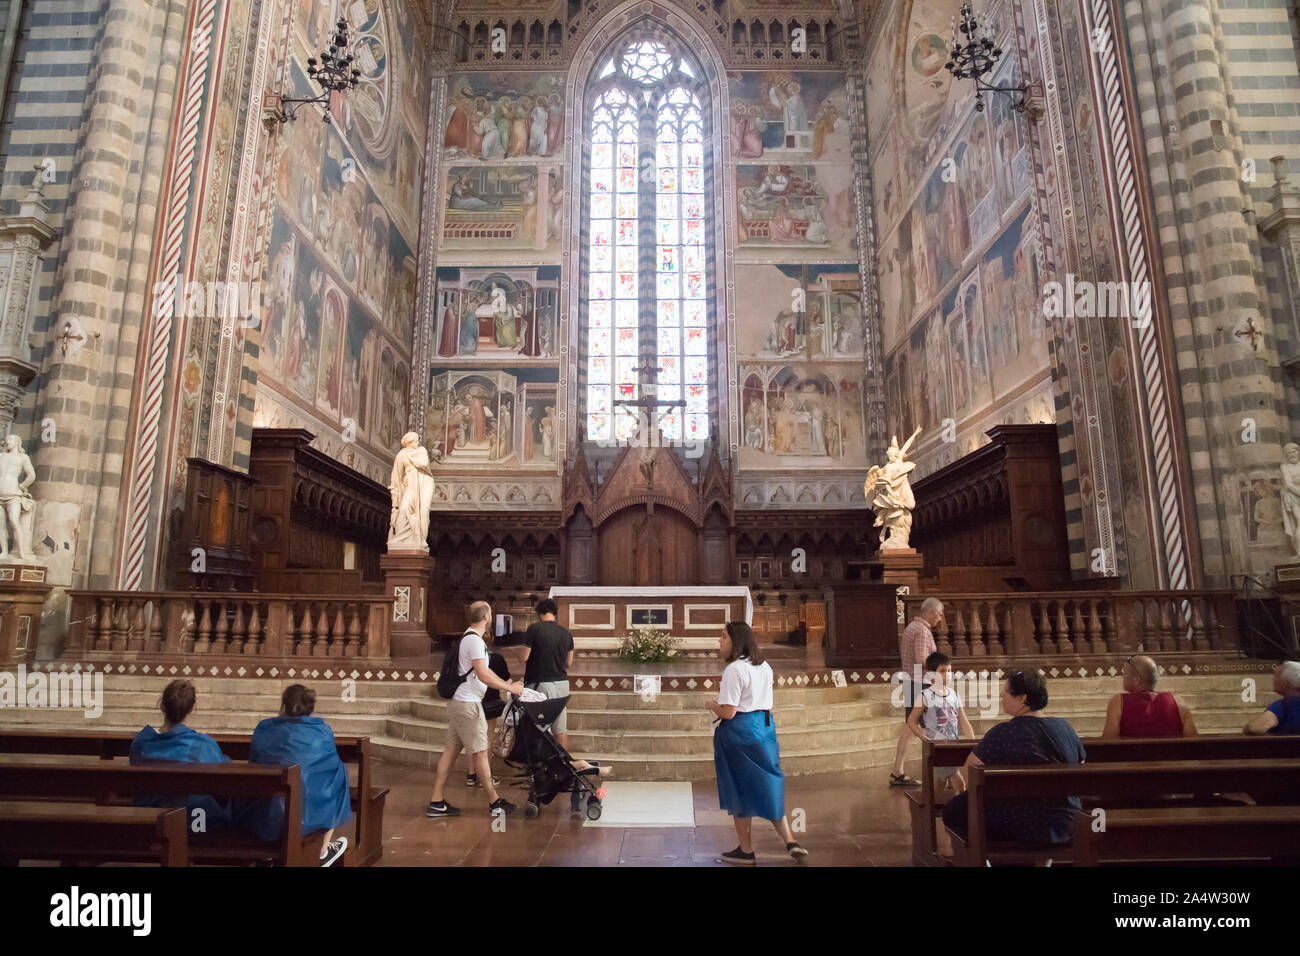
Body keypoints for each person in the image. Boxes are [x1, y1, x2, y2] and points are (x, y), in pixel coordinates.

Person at [941, 670, 1086, 848]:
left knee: (953, 810)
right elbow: (1081, 764)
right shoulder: (1065, 728)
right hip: (1067, 821)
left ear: (1022, 698)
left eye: (1006, 691)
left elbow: (968, 773)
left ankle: (986, 858)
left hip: (1021, 823)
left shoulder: (1003, 732)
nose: (1002, 695)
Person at [708, 621, 807, 864]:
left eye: (723, 637)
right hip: (764, 727)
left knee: (739, 791)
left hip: (740, 731)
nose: (719, 641)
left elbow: (729, 712)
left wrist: (711, 705)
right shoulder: (764, 666)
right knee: (769, 782)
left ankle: (746, 850)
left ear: (736, 641)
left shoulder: (734, 669)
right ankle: (790, 840)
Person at [427, 601, 525, 817]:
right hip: (468, 705)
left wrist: (507, 685)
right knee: (481, 752)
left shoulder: (468, 638)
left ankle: (436, 801)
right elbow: (482, 673)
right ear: (487, 617)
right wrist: (509, 686)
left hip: (459, 703)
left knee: (451, 751)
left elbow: (482, 673)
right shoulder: (474, 641)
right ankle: (494, 801)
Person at [244, 684, 353, 866]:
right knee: (339, 772)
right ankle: (322, 850)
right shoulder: (321, 731)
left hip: (267, 810)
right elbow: (329, 768)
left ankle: (266, 851)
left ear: (284, 705)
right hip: (309, 813)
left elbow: (253, 761)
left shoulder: (264, 729)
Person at [130, 679, 232, 828]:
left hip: (150, 816)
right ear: (191, 709)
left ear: (162, 705)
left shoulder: (141, 742)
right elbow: (223, 778)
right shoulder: (202, 744)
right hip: (194, 820)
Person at [890, 597, 944, 787]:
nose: (941, 618)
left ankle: (898, 770)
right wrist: (941, 666)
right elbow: (921, 658)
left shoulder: (912, 627)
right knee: (922, 726)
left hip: (912, 683)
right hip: (919, 684)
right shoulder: (921, 630)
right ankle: (943, 773)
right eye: (939, 614)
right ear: (930, 612)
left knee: (912, 727)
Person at [905, 652, 974, 793]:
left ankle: (932, 807)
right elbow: (911, 720)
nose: (947, 674)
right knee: (957, 780)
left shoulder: (954, 695)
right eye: (942, 671)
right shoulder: (925, 696)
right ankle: (959, 808)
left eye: (949, 670)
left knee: (941, 782)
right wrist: (922, 736)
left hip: (953, 746)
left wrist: (971, 741)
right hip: (938, 747)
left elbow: (963, 719)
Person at [520, 598, 575, 751]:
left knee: (538, 729)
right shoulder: (566, 633)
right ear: (555, 613)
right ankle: (562, 768)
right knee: (560, 731)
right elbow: (569, 663)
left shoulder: (534, 629)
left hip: (541, 683)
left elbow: (523, 657)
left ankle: (540, 767)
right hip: (562, 685)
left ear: (539, 613)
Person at [1101, 654, 1197, 738]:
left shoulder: (1118, 703)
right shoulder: (1178, 702)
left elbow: (1108, 743)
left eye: (1125, 673)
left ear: (1137, 679)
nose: (1123, 676)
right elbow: (1193, 742)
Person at [1244, 660, 1300, 734]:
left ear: (1284, 683)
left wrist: (1248, 726)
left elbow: (1257, 728)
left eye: (1276, 676)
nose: (1272, 679)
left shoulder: (1283, 706)